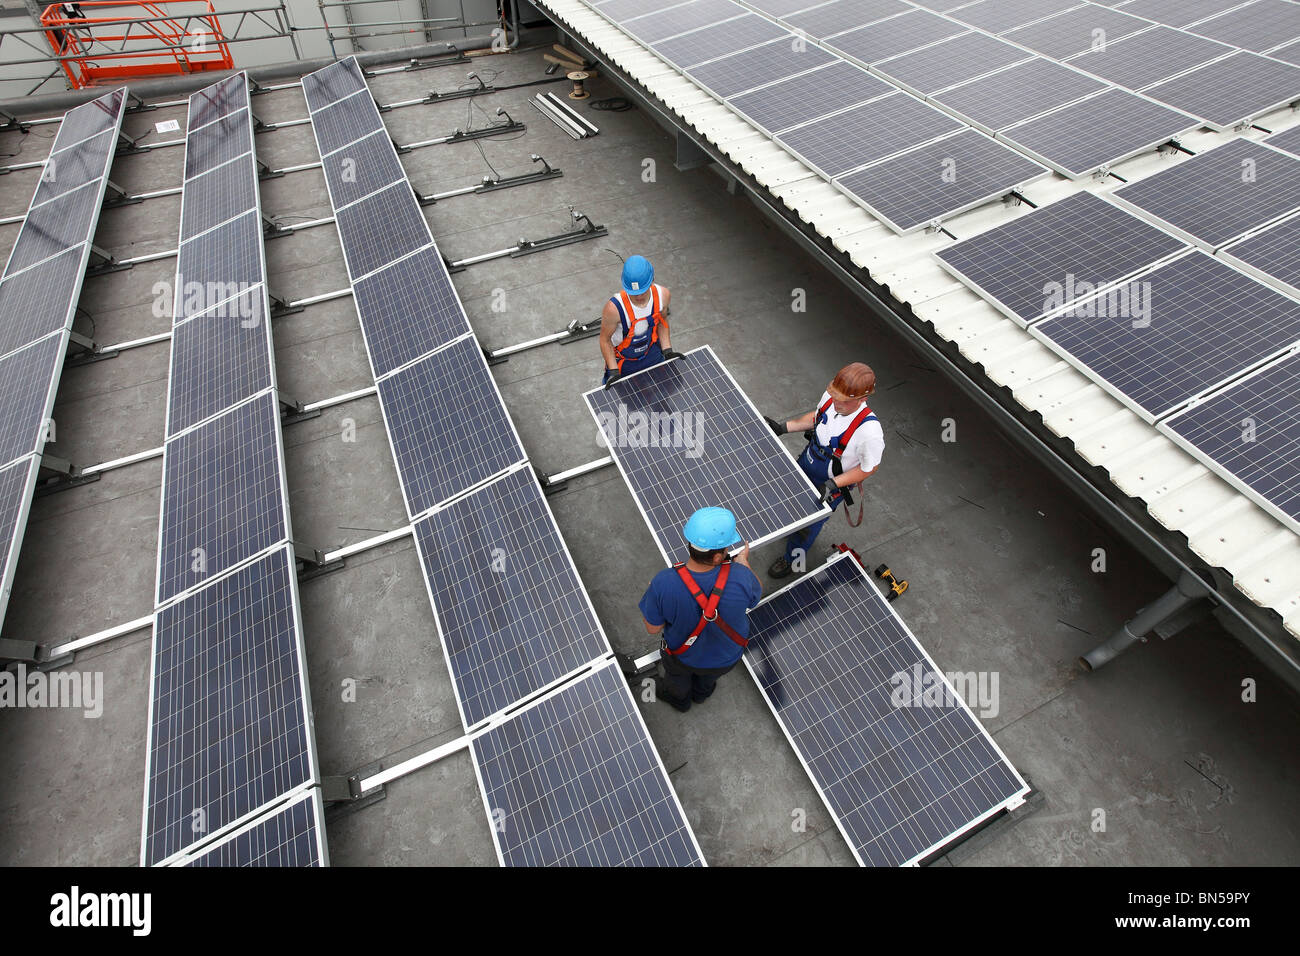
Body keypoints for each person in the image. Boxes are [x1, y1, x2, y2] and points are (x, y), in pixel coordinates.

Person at [764, 362, 884, 579]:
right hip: (807, 463)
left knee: (807, 527)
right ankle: (785, 527)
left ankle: (791, 560)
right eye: (835, 395)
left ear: (863, 399)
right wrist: (783, 428)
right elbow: (818, 418)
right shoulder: (832, 399)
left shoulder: (870, 432)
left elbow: (869, 468)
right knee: (788, 499)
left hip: (829, 484)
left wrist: (833, 485)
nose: (836, 401)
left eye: (844, 400)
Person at [638, 507, 762, 712]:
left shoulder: (663, 583)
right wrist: (744, 564)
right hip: (726, 657)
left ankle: (680, 701)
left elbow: (652, 628)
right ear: (716, 558)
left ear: (690, 544)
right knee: (707, 680)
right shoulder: (742, 576)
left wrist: (656, 595)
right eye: (725, 550)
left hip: (681, 656)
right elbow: (755, 598)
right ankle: (701, 695)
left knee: (677, 681)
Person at [600, 254, 682, 388]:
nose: (638, 296)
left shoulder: (663, 295)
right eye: (633, 293)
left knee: (662, 395)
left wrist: (667, 350)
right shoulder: (614, 308)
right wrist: (614, 371)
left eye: (643, 291)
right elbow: (605, 340)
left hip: (652, 353)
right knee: (628, 405)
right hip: (625, 363)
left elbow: (662, 322)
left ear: (652, 281)